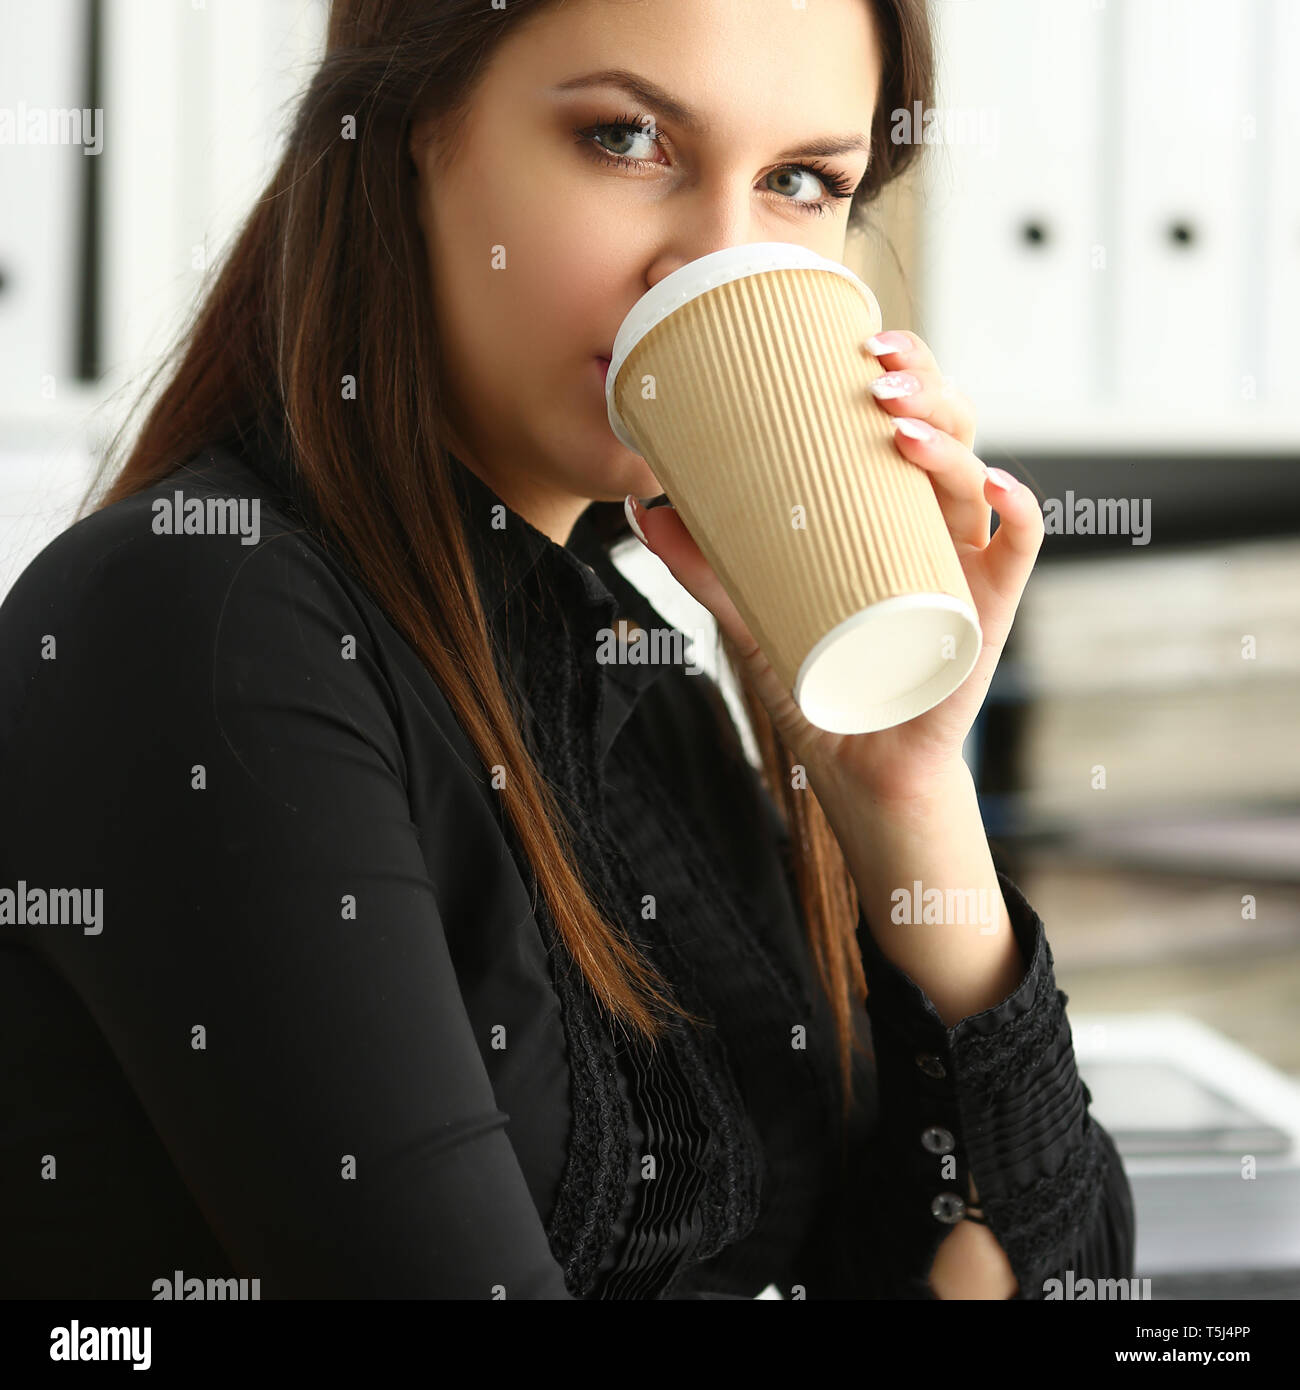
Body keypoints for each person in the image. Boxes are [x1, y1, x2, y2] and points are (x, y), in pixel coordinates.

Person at [0, 0, 1134, 1299]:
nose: (715, 260)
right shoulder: (200, 624)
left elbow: (1019, 1278)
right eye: (626, 137)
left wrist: (906, 792)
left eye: (802, 182)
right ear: (413, 127)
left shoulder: (639, 670)